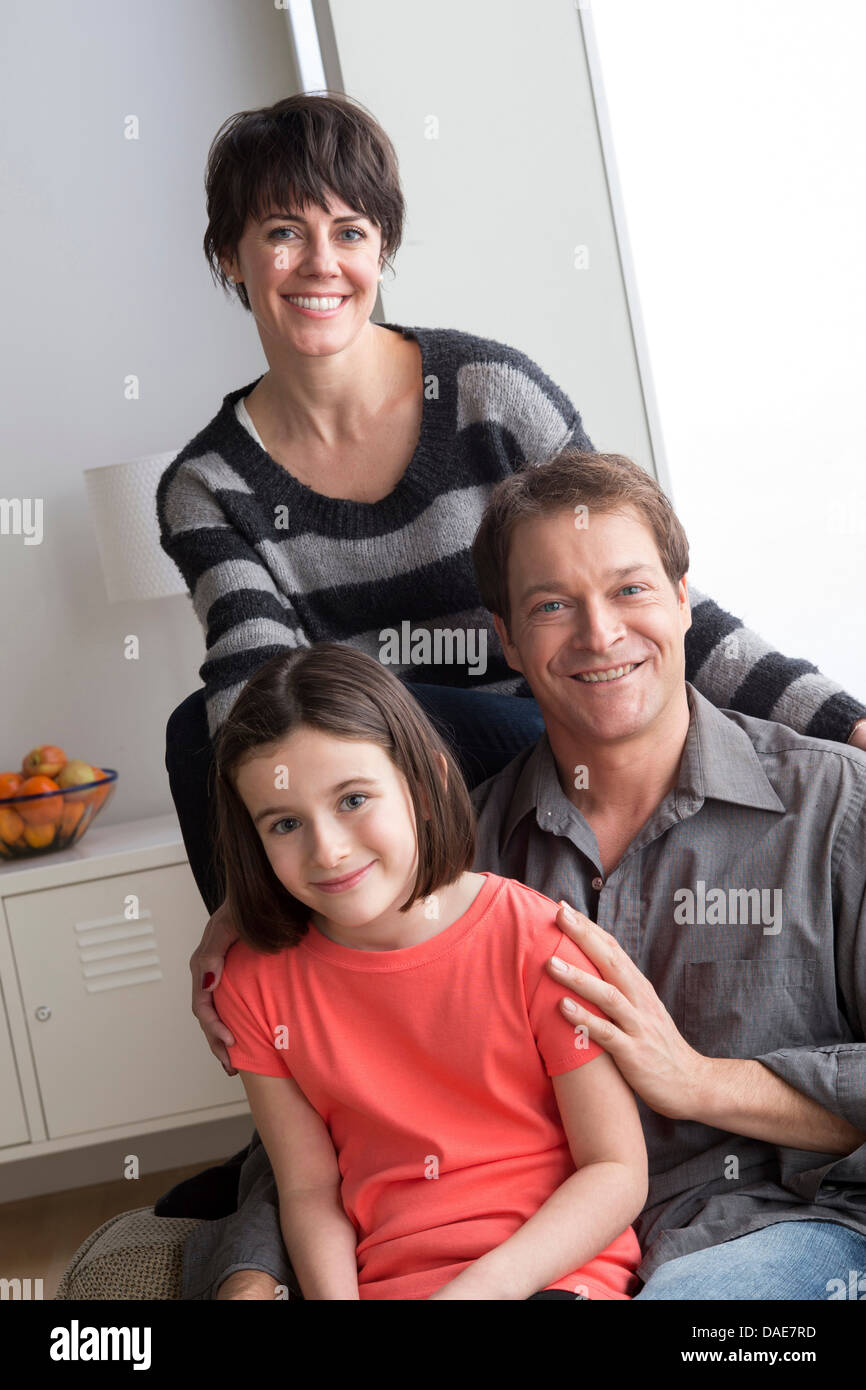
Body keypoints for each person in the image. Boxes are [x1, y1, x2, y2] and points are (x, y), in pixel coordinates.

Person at [156, 90, 866, 924]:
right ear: (231, 257)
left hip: (546, 734)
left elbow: (647, 594)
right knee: (203, 731)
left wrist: (849, 728)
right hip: (369, 785)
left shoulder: (489, 396)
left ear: (379, 250)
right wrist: (237, 911)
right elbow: (256, 684)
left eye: (349, 232)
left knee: (397, 711)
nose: (321, 263)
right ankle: (283, 975)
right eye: (283, 232)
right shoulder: (207, 485)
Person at [181, 449, 866, 1301]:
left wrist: (701, 1081)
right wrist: (248, 1276)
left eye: (630, 590)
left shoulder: (835, 807)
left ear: (686, 601)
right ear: (506, 635)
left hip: (786, 1224)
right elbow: (329, 1131)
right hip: (533, 1256)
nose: (599, 633)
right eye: (552, 606)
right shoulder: (446, 857)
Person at [201, 641, 648, 1300]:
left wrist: (480, 1290)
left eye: (354, 799)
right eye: (286, 823)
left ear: (429, 786)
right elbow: (308, 1190)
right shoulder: (254, 987)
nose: (328, 849)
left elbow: (616, 1169)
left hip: (552, 1277)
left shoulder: (536, 941)